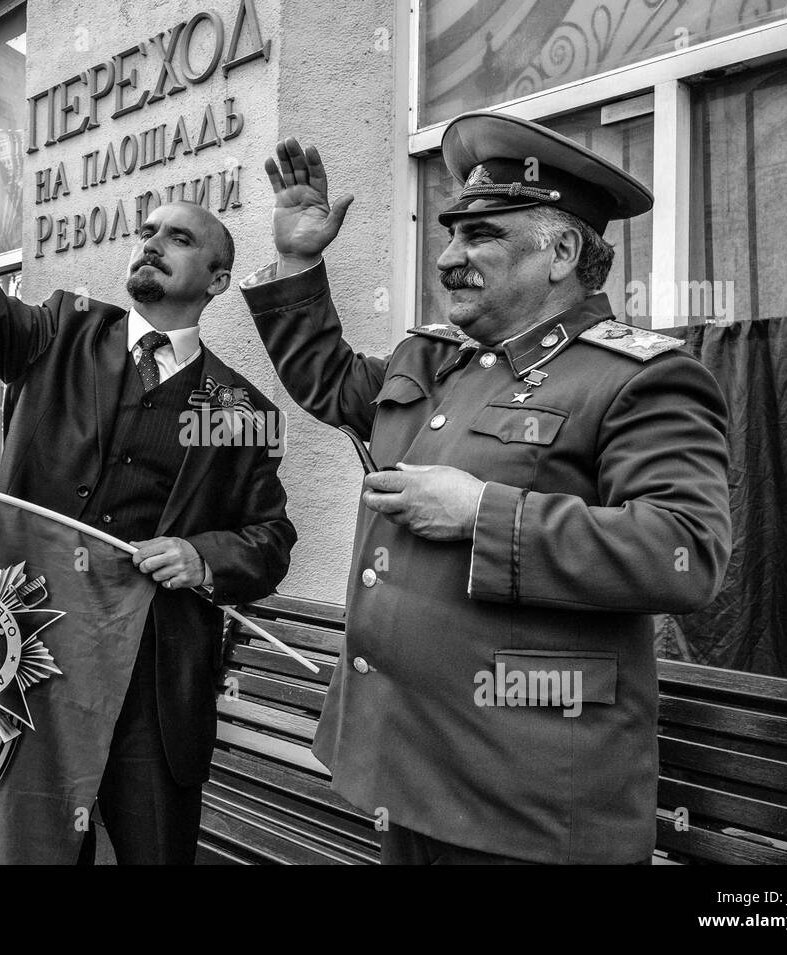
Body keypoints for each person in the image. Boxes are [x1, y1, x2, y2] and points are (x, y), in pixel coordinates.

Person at [239, 111, 732, 864]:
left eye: (482, 236)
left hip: (524, 801)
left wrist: (481, 513)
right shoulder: (438, 360)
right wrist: (300, 264)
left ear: (562, 250)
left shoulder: (641, 378)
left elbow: (684, 549)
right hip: (405, 770)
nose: (448, 258)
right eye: (451, 234)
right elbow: (333, 382)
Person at [0, 87, 296, 865]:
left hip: (152, 689)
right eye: (146, 231)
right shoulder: (57, 332)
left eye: (179, 239)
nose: (152, 243)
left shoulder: (237, 405)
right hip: (21, 658)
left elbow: (271, 538)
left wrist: (202, 555)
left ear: (218, 278)